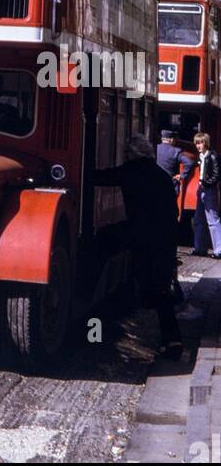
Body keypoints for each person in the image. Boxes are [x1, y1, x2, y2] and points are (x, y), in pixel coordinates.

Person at [94, 135, 182, 357]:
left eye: (127, 154)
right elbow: (174, 214)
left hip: (138, 233)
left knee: (101, 240)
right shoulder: (162, 176)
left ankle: (90, 293)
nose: (125, 157)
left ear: (134, 154)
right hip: (162, 239)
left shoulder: (131, 170)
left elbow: (101, 177)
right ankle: (173, 343)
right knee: (162, 292)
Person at [192, 132, 221, 258]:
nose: (198, 146)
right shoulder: (201, 156)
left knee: (213, 220)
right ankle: (199, 248)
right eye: (197, 143)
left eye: (201, 142)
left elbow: (216, 175)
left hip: (209, 190)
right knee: (199, 219)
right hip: (201, 189)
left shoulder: (213, 156)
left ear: (206, 143)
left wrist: (206, 184)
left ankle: (219, 250)